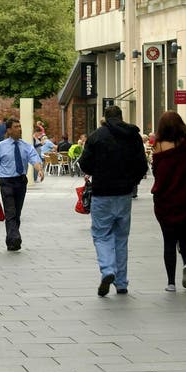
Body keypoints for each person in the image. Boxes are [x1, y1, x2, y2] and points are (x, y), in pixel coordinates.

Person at [78, 104, 148, 296]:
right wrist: (132, 182)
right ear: (121, 116)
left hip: (102, 193)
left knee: (101, 235)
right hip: (124, 194)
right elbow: (142, 164)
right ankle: (122, 282)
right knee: (121, 238)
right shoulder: (133, 135)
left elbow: (85, 163)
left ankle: (108, 269)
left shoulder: (96, 136)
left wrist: (98, 172)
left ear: (105, 118)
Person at [150, 111, 186, 293]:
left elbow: (156, 171)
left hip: (165, 200)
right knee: (185, 236)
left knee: (168, 241)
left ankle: (171, 282)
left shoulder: (159, 146)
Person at [0, 117, 44, 251]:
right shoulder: (1, 146)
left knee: (17, 212)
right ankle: (15, 239)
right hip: (6, 181)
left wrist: (40, 170)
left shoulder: (26, 146)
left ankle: (11, 240)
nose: (19, 129)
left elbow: (34, 159)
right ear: (8, 130)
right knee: (10, 211)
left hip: (20, 181)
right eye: (16, 127)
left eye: (20, 126)